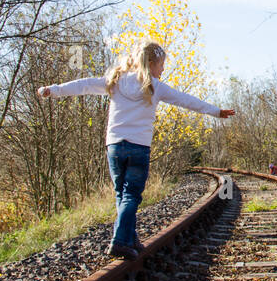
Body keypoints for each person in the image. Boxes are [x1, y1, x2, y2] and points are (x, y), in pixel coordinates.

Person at [38, 40, 234, 260]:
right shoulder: (154, 86)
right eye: (161, 65)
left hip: (114, 146)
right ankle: (120, 241)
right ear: (151, 64)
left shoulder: (115, 81)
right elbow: (186, 100)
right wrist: (216, 112)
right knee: (131, 195)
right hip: (138, 147)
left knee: (122, 194)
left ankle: (130, 238)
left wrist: (53, 90)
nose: (163, 69)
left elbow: (83, 85)